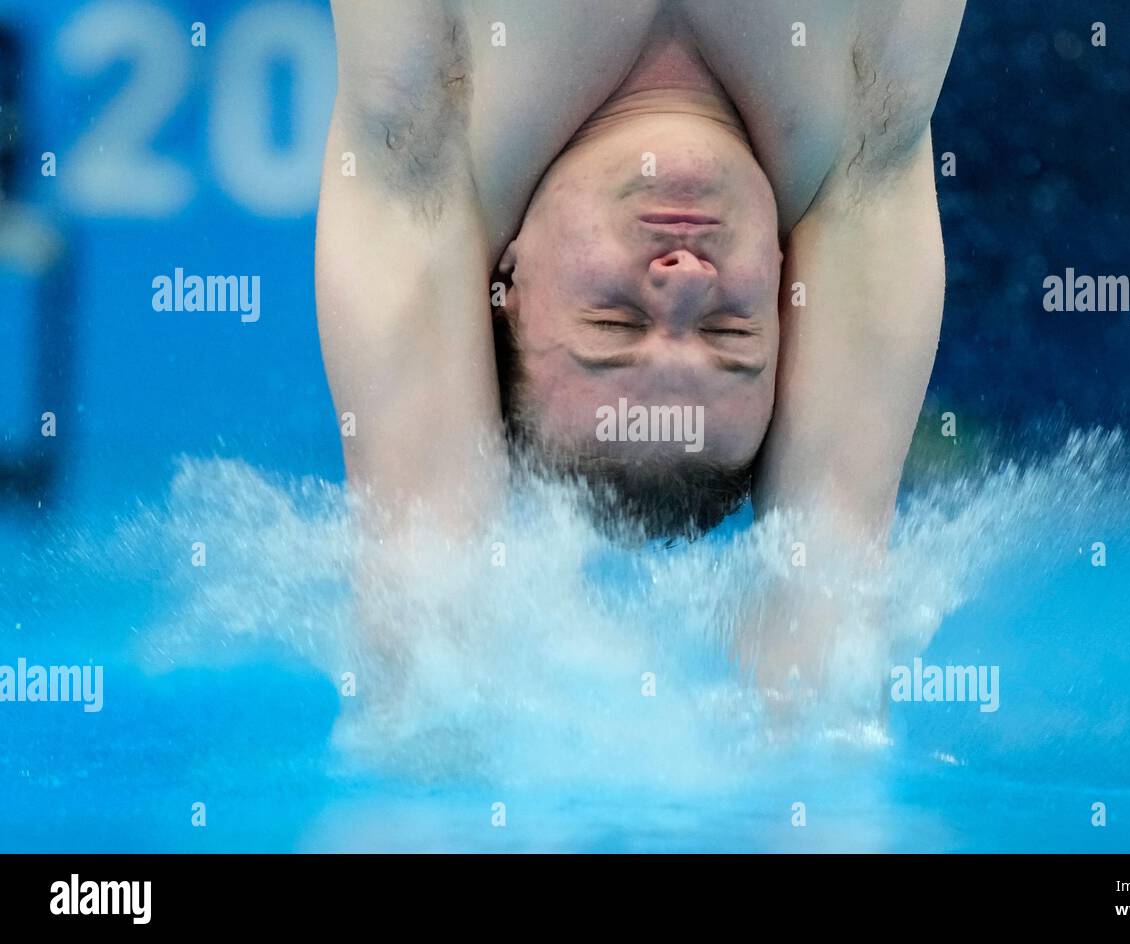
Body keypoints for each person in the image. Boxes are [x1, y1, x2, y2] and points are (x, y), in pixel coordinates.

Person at [316, 0, 964, 689]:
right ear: (786, 296)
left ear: (508, 291)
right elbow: (826, 622)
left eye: (614, 323)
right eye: (729, 329)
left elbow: (421, 617)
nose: (684, 281)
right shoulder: (867, 114)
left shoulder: (426, 117)